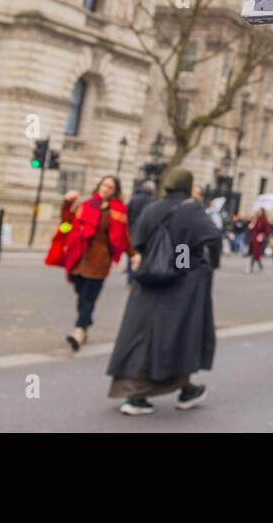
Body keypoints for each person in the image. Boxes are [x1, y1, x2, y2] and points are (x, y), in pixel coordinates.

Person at [107, 168, 219, 416]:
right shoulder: (191, 209)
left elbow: (138, 240)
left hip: (149, 279)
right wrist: (182, 260)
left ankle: (183, 388)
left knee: (142, 335)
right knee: (176, 334)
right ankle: (147, 394)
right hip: (180, 285)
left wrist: (159, 259)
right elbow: (212, 236)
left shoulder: (153, 207)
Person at [61, 176, 133, 352]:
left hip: (99, 260)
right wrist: (65, 203)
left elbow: (124, 236)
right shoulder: (86, 204)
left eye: (110, 187)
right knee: (80, 293)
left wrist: (133, 255)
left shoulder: (117, 211)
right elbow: (66, 223)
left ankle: (79, 330)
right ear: (99, 185)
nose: (106, 189)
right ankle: (84, 326)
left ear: (115, 191)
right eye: (104, 185)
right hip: (79, 257)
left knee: (89, 297)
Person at [247, 209, 270, 273]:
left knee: (255, 253)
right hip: (253, 238)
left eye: (260, 212)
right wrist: (251, 226)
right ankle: (260, 266)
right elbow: (253, 229)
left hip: (258, 239)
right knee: (255, 254)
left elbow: (267, 231)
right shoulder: (256, 219)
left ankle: (251, 267)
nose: (259, 213)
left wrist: (262, 235)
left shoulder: (264, 220)